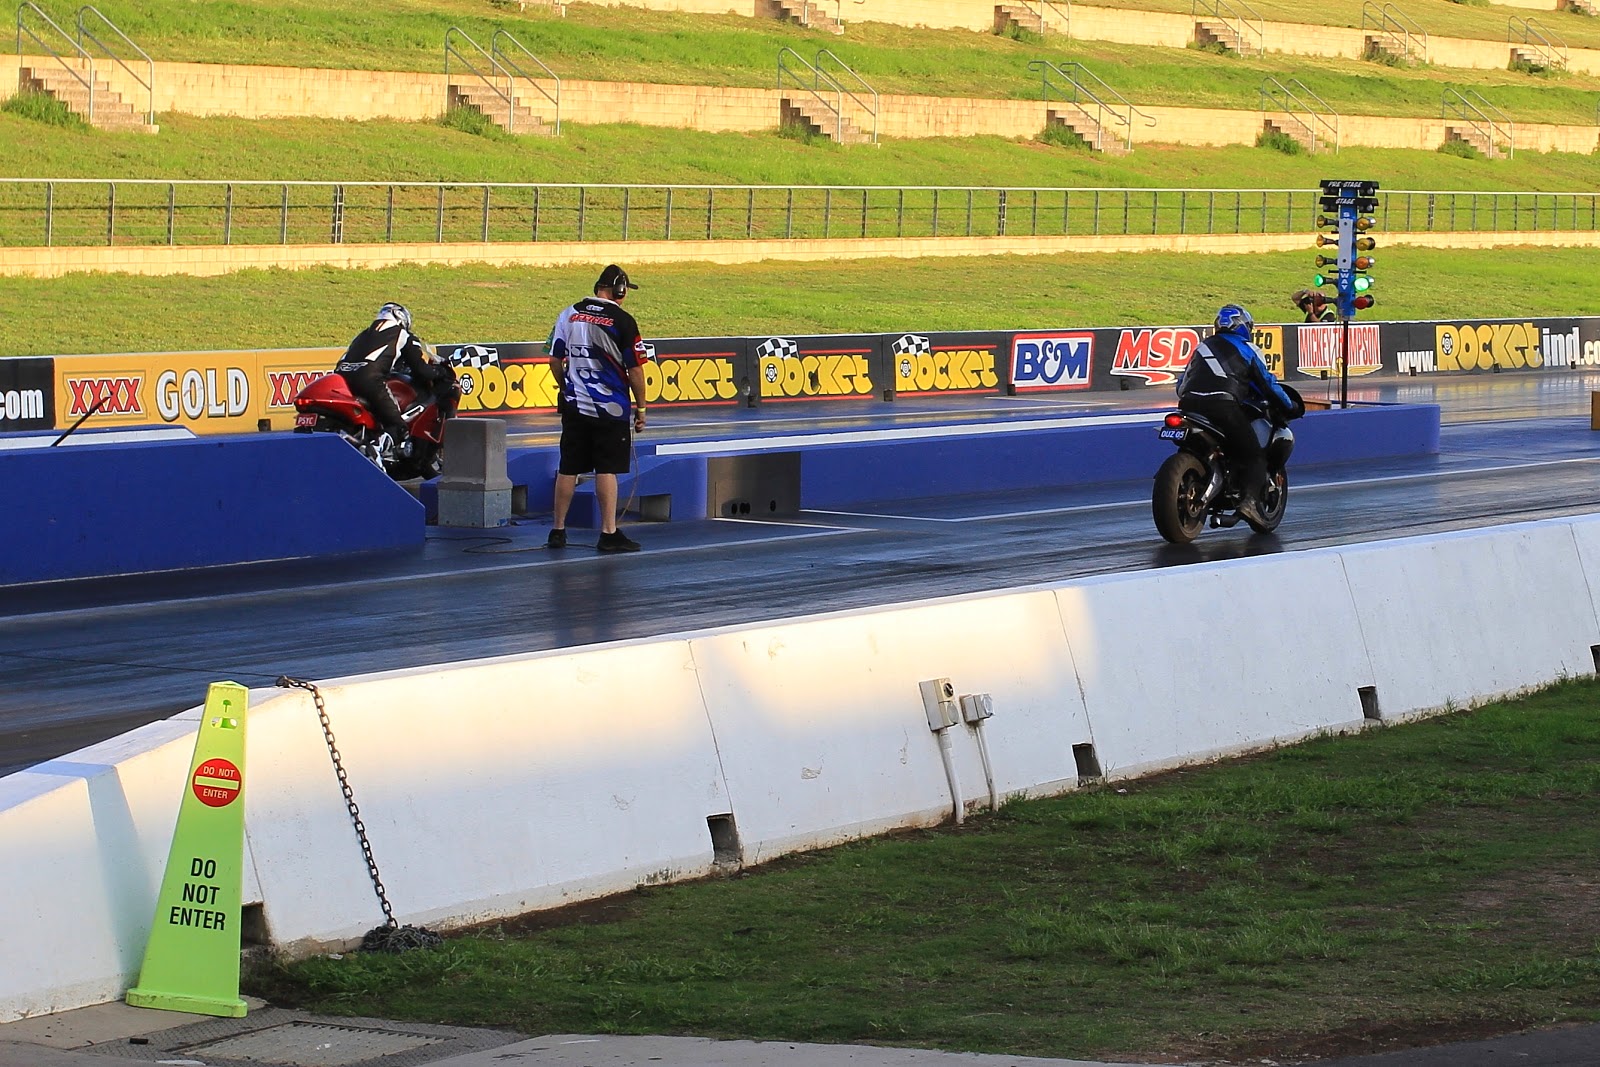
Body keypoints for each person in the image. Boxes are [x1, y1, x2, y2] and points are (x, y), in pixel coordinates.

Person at [546, 264, 649, 553]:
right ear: (621, 290)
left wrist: (565, 386)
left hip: (575, 404)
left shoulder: (568, 313)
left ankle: (557, 530)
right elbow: (636, 371)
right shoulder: (623, 321)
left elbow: (554, 360)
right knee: (607, 468)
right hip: (610, 407)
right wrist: (641, 408)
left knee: (568, 467)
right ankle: (608, 532)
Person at [1176, 304, 1302, 528]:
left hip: (1188, 405)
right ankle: (1249, 504)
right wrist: (1290, 405)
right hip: (1222, 406)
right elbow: (1269, 385)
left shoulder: (1201, 347)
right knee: (1254, 455)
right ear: (1244, 327)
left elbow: (1181, 384)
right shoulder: (1248, 349)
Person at [333, 302, 448, 461]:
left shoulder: (363, 334)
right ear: (402, 319)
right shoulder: (402, 334)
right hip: (370, 380)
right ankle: (376, 452)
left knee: (378, 416)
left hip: (342, 379)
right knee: (398, 426)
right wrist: (438, 372)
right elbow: (420, 369)